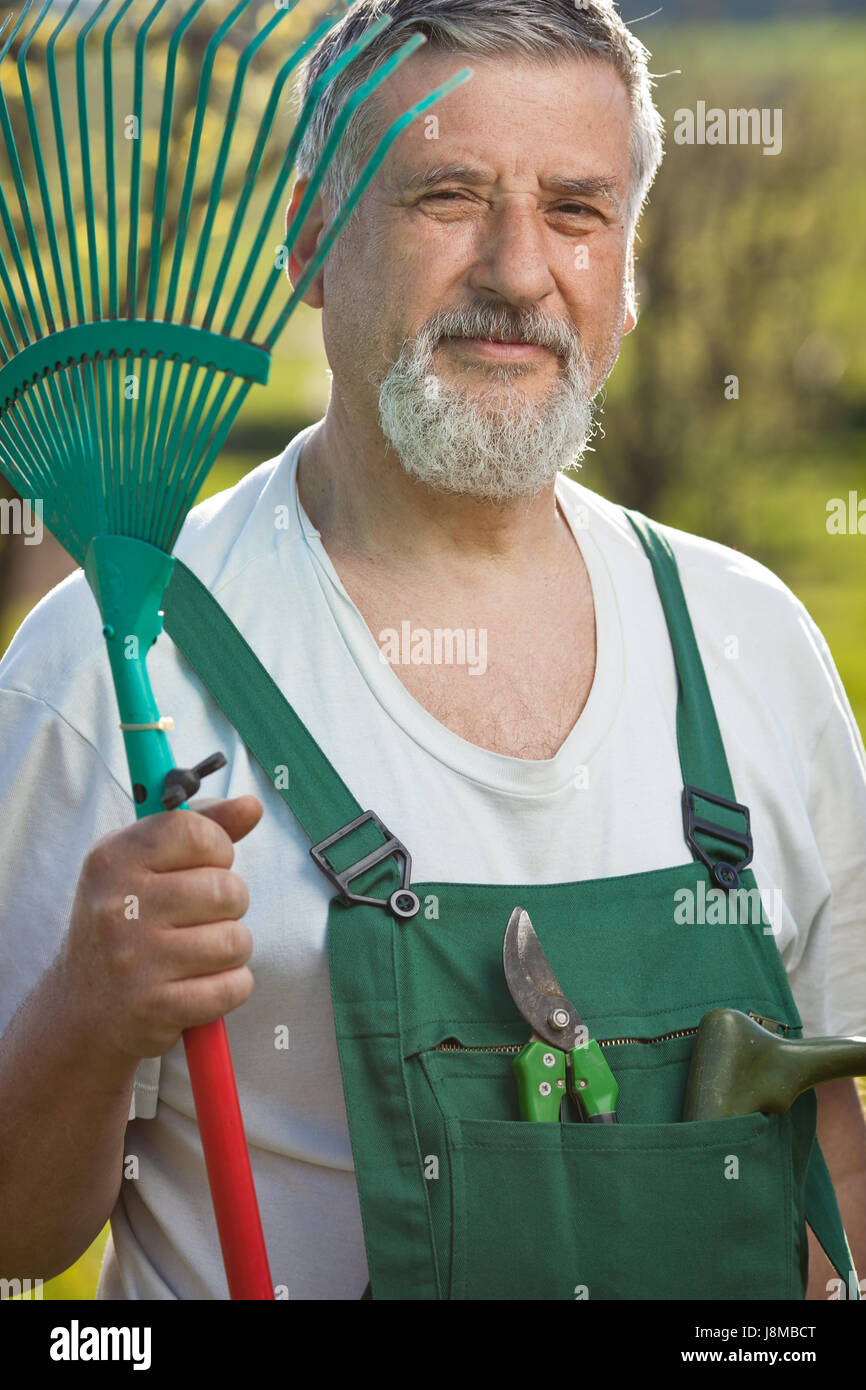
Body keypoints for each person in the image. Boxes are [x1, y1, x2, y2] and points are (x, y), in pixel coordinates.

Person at [0, 0, 864, 1301]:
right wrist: (83, 1009)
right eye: (446, 196)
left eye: (576, 211)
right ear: (307, 248)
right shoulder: (111, 667)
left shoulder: (749, 642)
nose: (518, 271)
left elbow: (833, 1151)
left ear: (625, 267)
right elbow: (15, 1239)